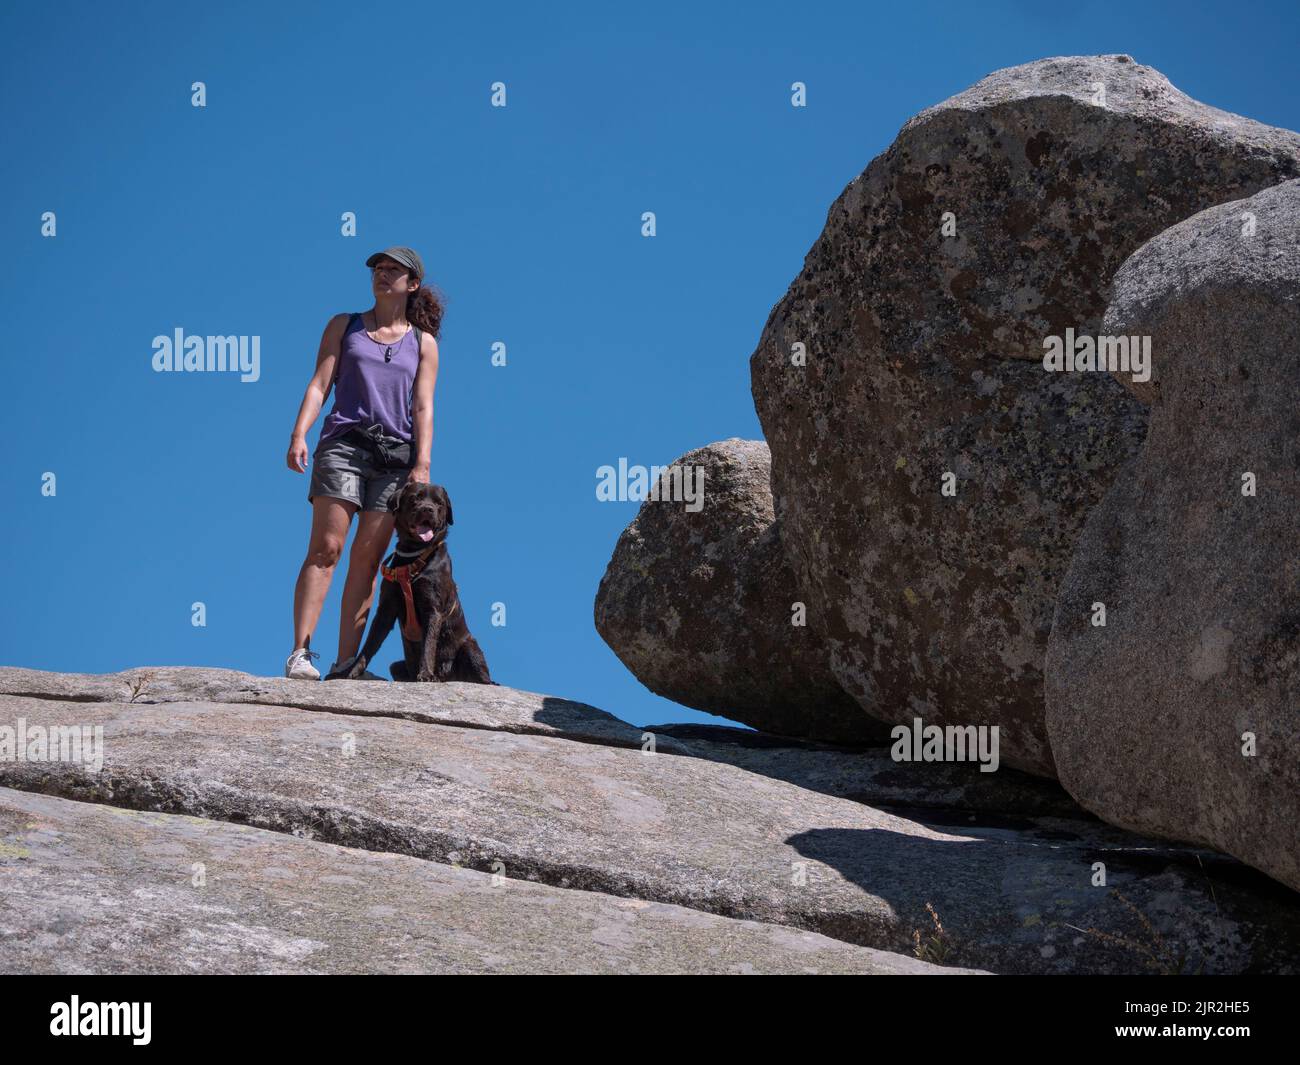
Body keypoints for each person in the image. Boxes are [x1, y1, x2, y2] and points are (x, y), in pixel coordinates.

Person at [283, 246, 442, 680]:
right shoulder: (344, 326)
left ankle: (346, 665)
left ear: (412, 284)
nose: (382, 274)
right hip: (343, 446)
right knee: (326, 548)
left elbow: (423, 407)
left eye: (394, 270)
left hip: (396, 459)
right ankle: (301, 653)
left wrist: (421, 465)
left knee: (368, 561)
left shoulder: (423, 344)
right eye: (378, 268)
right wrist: (300, 433)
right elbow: (320, 384)